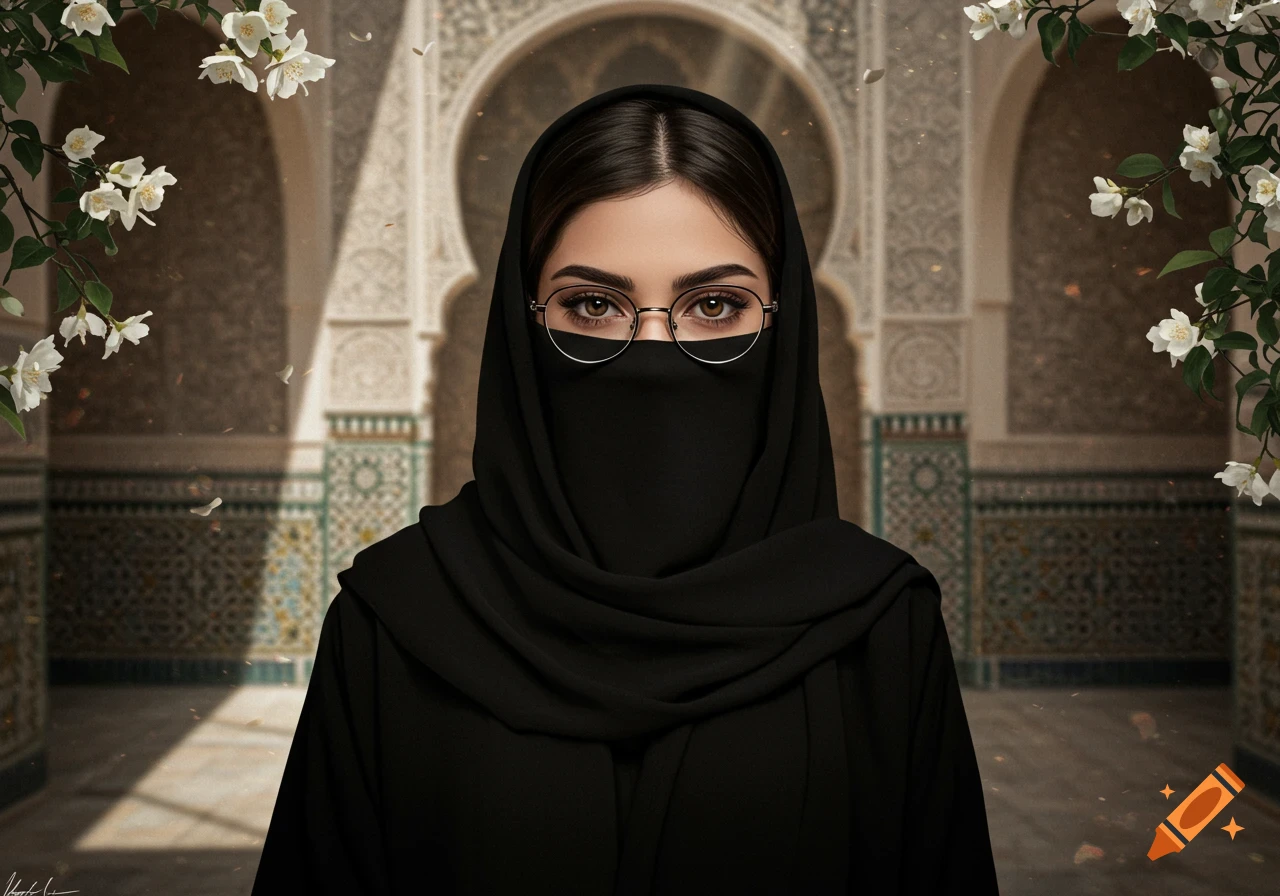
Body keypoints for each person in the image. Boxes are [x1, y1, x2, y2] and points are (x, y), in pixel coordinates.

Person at [250, 83, 999, 895]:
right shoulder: (396, 619)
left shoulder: (879, 626)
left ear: (784, 328)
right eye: (593, 305)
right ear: (520, 319)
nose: (652, 357)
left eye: (715, 305)